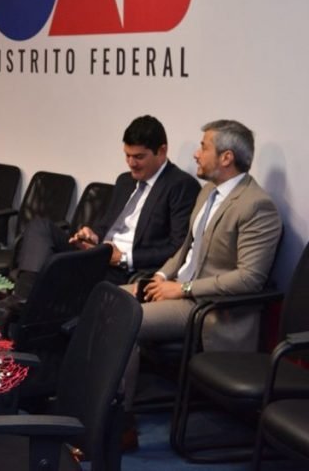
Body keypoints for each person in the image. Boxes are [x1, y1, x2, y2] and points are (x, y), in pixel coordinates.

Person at [122, 119, 282, 441]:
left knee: (125, 321)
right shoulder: (208, 192)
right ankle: (90, 401)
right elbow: (186, 249)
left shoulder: (256, 206)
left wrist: (182, 289)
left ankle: (118, 424)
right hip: (179, 290)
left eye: (204, 146)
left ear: (226, 157)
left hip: (207, 307)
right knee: (106, 302)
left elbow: (250, 278)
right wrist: (160, 276)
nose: (196, 154)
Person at [14, 115, 200, 293]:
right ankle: (21, 299)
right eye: (127, 155)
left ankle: (21, 303)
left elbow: (177, 248)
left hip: (123, 269)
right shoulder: (125, 181)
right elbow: (107, 225)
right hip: (99, 254)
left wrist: (123, 258)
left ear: (161, 151)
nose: (131, 163)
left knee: (51, 277)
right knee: (41, 227)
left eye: (139, 157)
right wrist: (93, 235)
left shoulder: (180, 185)